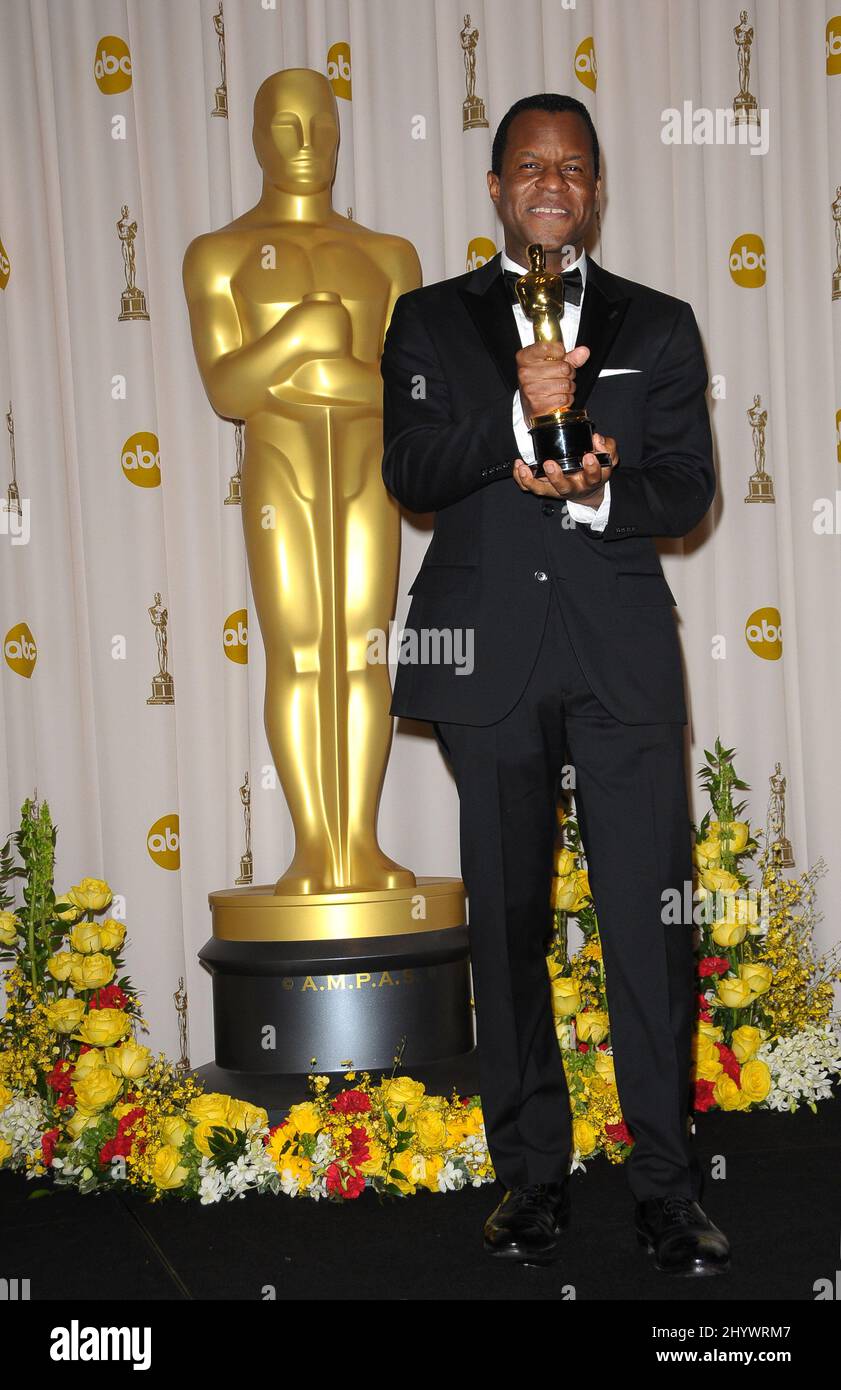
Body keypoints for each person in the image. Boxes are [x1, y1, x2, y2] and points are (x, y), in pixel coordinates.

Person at [380, 93, 730, 1277]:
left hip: (620, 654)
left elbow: (688, 489)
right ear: (493, 187)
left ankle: (668, 1192)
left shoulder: (663, 324)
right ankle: (530, 1180)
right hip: (484, 654)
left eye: (572, 168)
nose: (551, 182)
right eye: (529, 165)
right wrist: (511, 413)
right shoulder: (427, 320)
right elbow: (411, 471)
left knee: (646, 926)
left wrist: (592, 490)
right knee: (508, 926)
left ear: (595, 191)